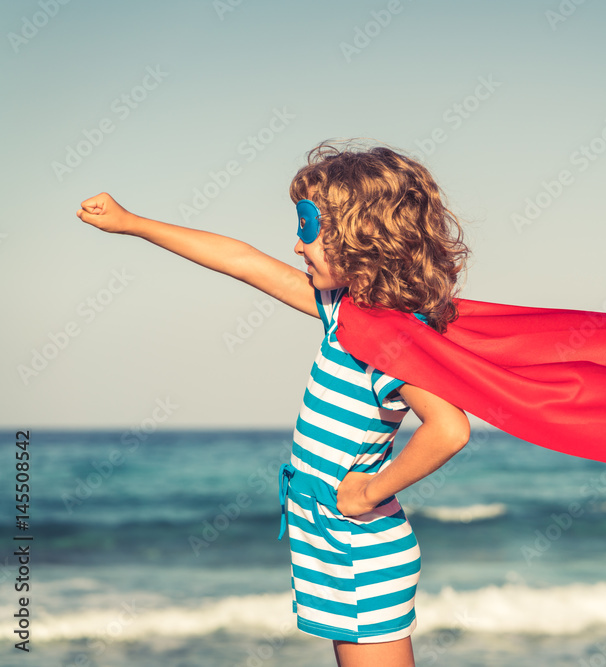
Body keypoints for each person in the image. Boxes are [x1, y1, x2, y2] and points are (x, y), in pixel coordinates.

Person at [77, 140, 472, 667]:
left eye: (307, 230)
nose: (297, 247)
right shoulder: (345, 313)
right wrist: (134, 223)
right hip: (333, 539)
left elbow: (449, 429)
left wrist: (367, 492)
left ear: (360, 238)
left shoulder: (390, 341)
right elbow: (242, 261)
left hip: (358, 547)